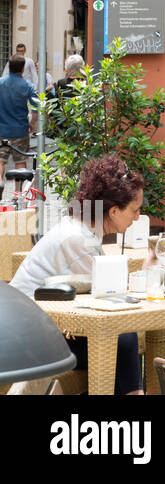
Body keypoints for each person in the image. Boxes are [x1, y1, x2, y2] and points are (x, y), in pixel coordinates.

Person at [10, 155, 147, 395]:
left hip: (32, 331)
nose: (137, 218)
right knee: (121, 338)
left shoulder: (78, 228)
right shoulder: (80, 240)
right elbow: (109, 296)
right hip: (26, 343)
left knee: (121, 338)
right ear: (114, 211)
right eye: (135, 211)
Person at [0, 55, 37, 172]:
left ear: (9, 66)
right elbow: (35, 109)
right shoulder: (28, 86)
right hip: (20, 130)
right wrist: (32, 123)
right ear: (22, 69)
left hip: (2, 130)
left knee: (0, 161)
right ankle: (19, 190)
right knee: (20, 162)